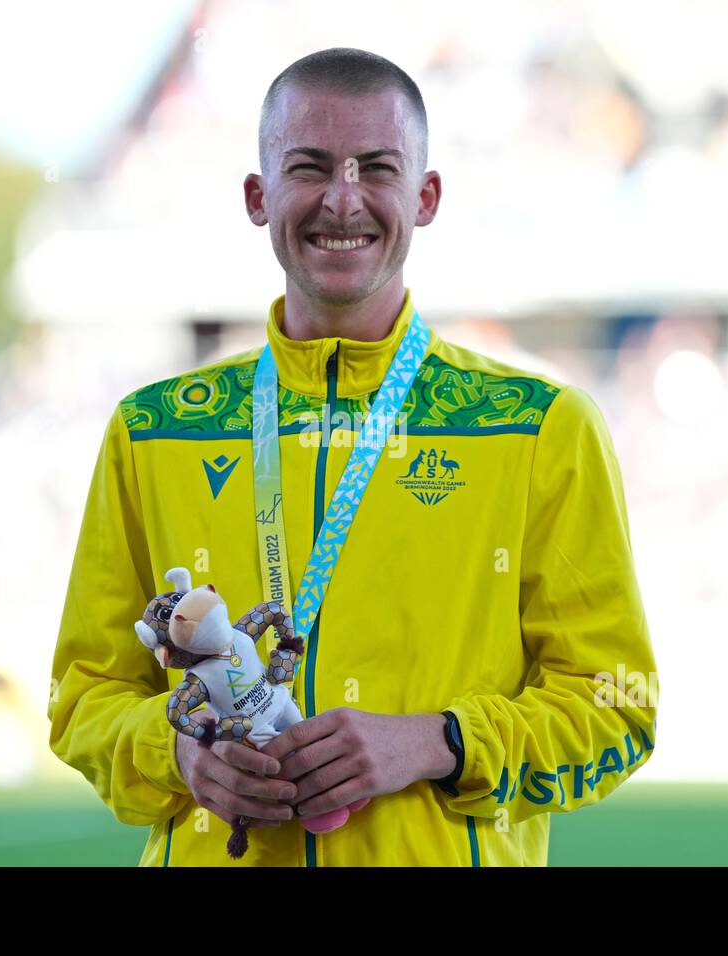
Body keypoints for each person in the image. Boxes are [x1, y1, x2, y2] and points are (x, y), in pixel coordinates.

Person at [47, 47, 659, 866]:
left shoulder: (540, 428)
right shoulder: (151, 432)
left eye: (378, 168)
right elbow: (81, 699)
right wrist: (181, 755)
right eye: (309, 168)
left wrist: (440, 741)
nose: (343, 198)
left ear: (426, 196)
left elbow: (617, 710)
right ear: (258, 198)